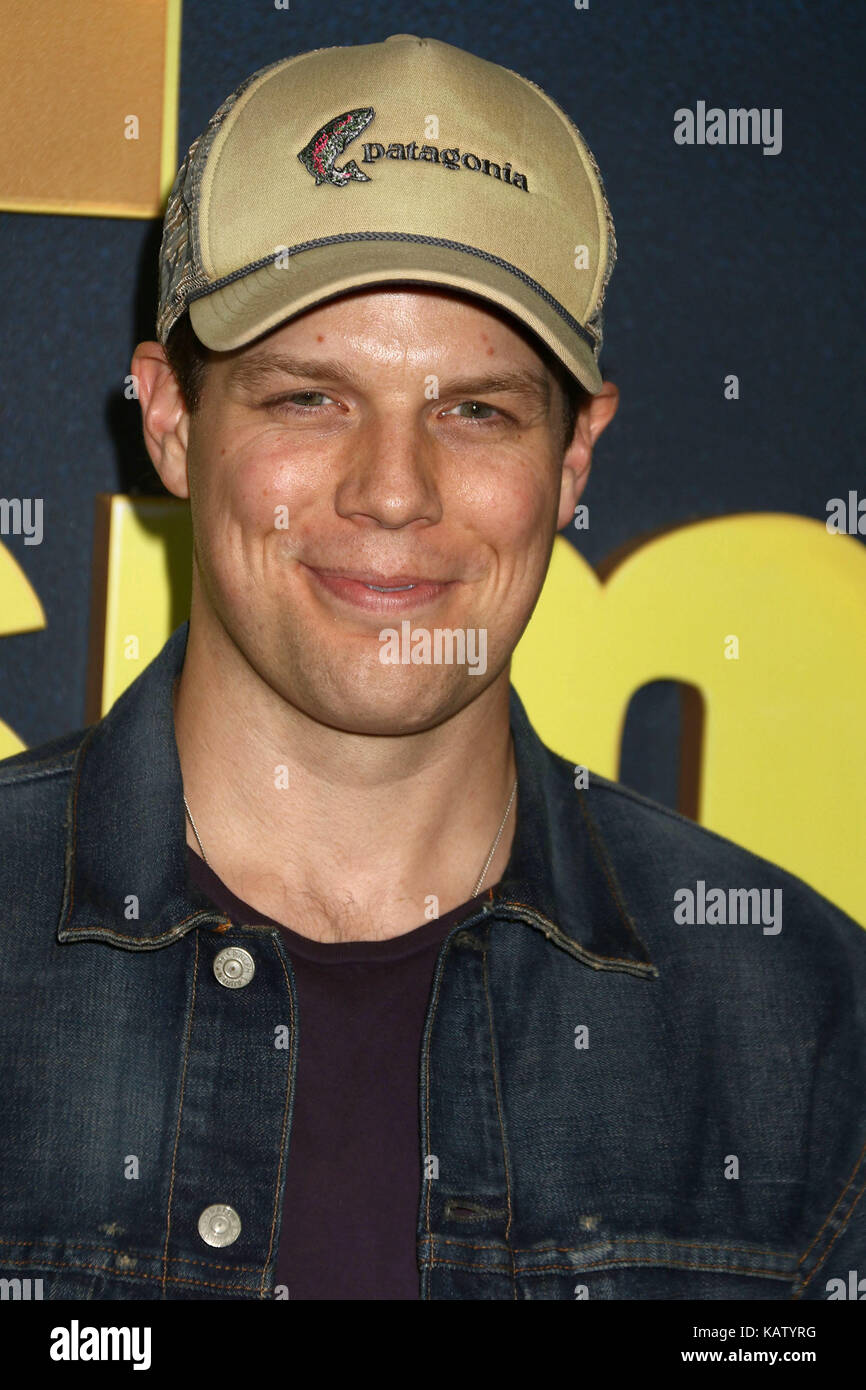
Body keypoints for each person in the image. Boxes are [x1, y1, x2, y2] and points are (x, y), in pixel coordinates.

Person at [1, 34, 864, 1303]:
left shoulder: (803, 1029)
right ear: (172, 419)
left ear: (571, 463)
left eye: (476, 411)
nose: (393, 493)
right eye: (308, 397)